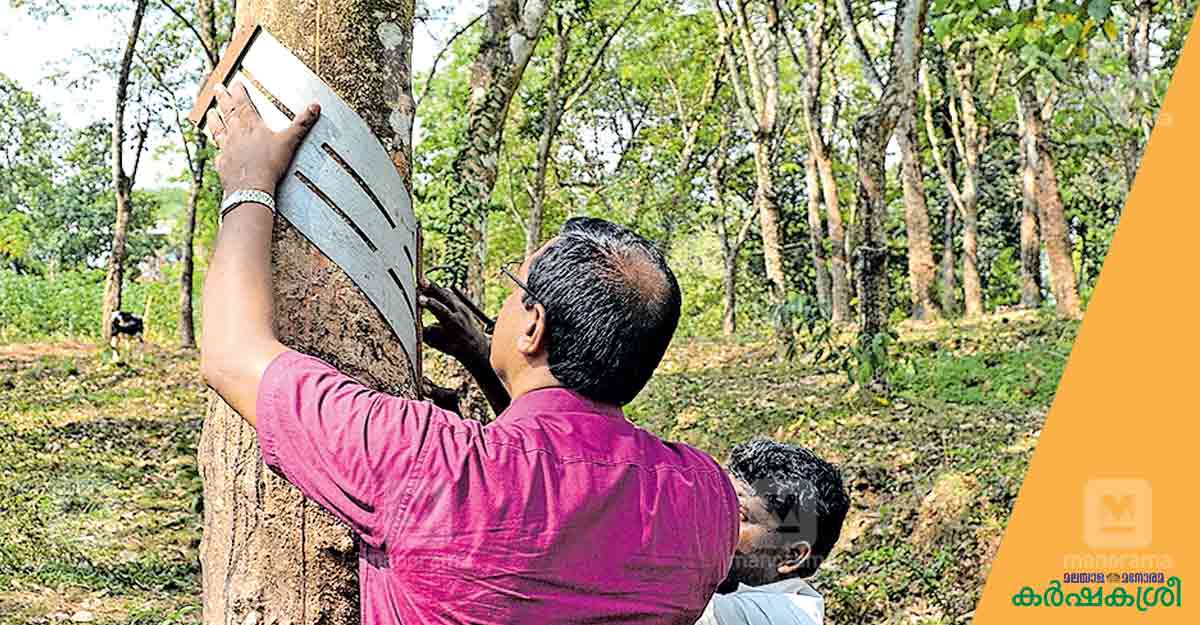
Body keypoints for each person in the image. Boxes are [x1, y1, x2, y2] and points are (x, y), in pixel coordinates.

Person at [198, 83, 738, 625]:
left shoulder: (431, 461)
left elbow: (232, 355)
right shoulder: (707, 499)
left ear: (534, 325)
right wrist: (487, 360)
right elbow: (572, 480)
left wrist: (249, 182)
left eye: (514, 287)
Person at [420, 288, 851, 625]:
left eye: (739, 514)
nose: (713, 513)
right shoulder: (738, 588)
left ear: (791, 556)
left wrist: (489, 367)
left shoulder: (766, 616)